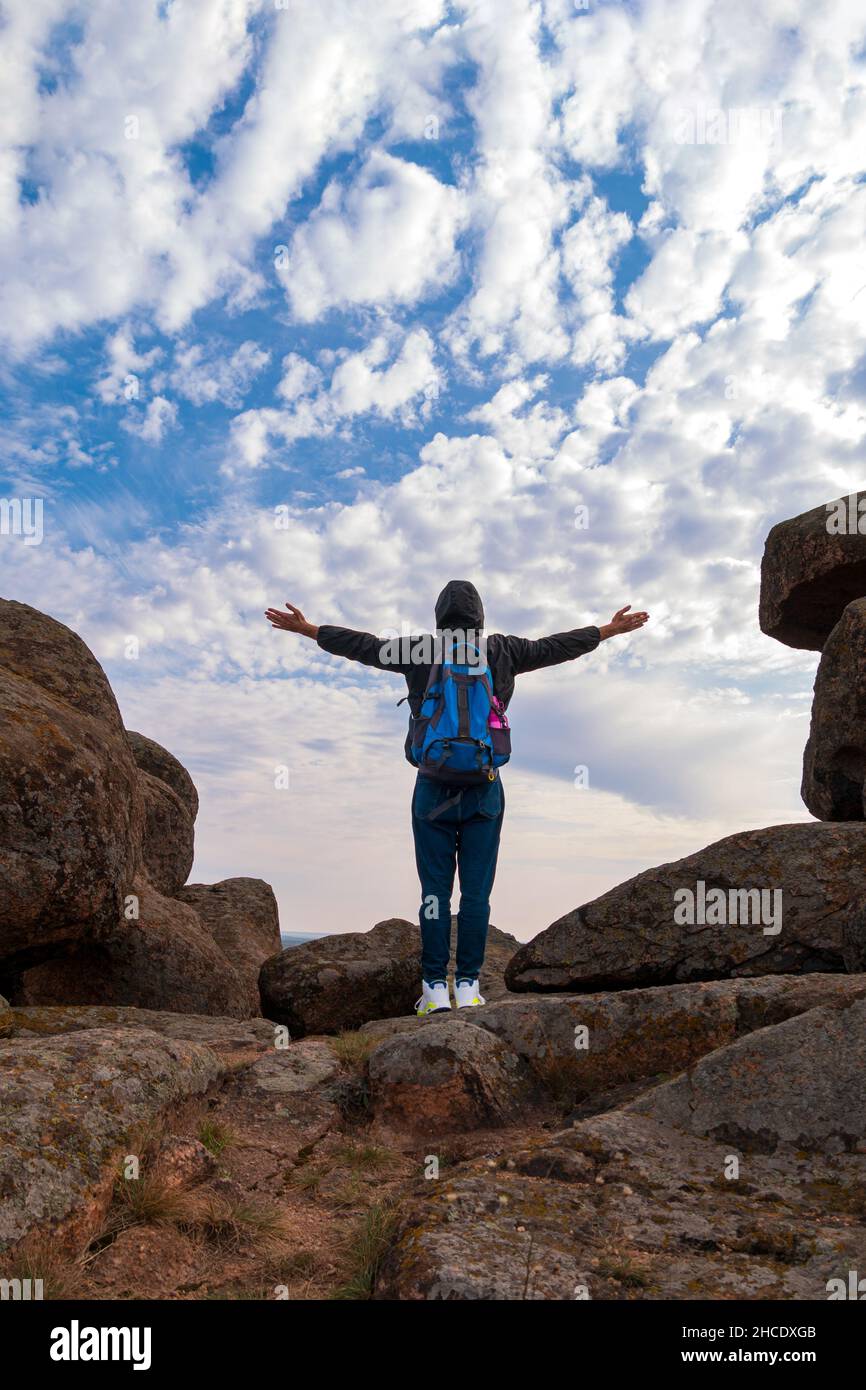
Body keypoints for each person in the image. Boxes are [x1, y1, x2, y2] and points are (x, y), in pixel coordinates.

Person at [265, 580, 648, 1017]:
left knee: (434, 894)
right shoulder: (503, 650)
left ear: (439, 616)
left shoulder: (421, 651)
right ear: (480, 616)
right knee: (476, 896)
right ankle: (467, 986)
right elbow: (555, 647)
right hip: (485, 787)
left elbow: (366, 647)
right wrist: (607, 630)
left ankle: (432, 989)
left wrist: (310, 630)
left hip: (432, 788)